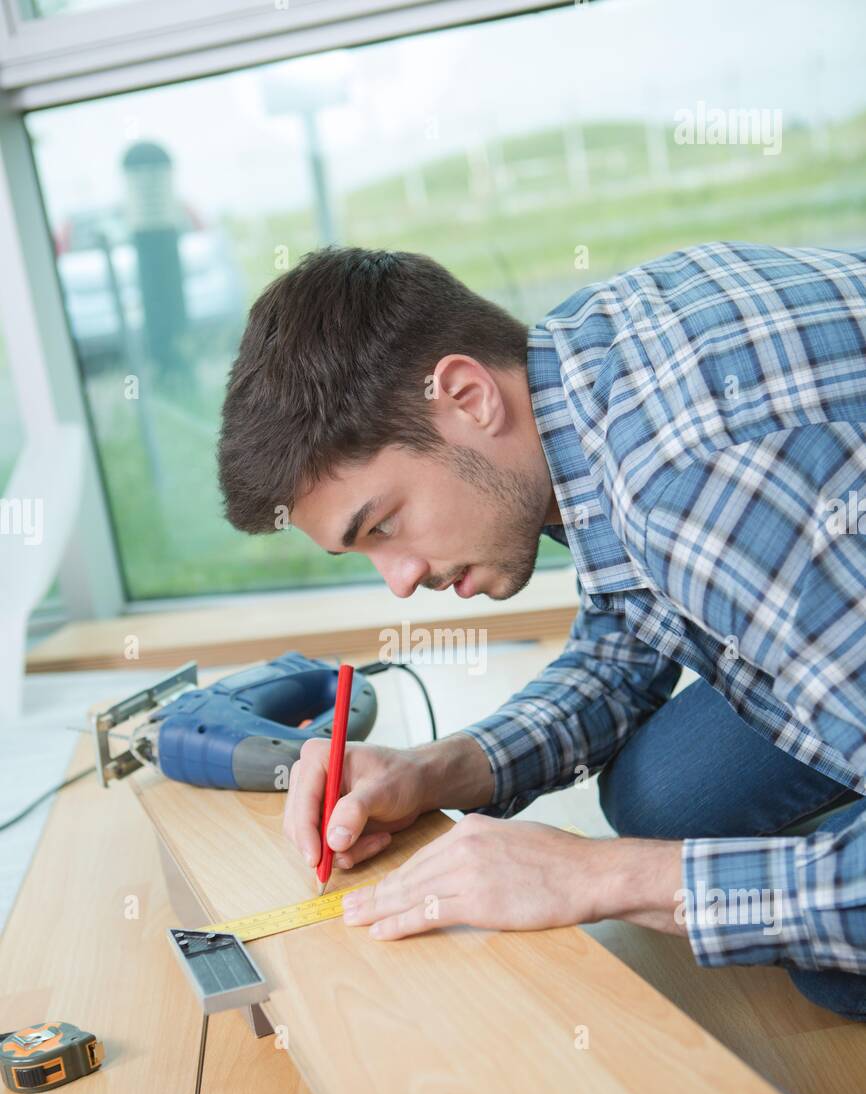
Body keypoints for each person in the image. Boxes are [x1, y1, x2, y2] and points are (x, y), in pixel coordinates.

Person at [218, 241, 866, 1019]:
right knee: (660, 800)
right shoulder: (574, 377)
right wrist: (434, 771)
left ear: (466, 395)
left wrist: (599, 878)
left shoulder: (688, 489)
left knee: (830, 968)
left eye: (384, 525)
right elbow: (627, 640)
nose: (399, 581)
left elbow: (704, 528)